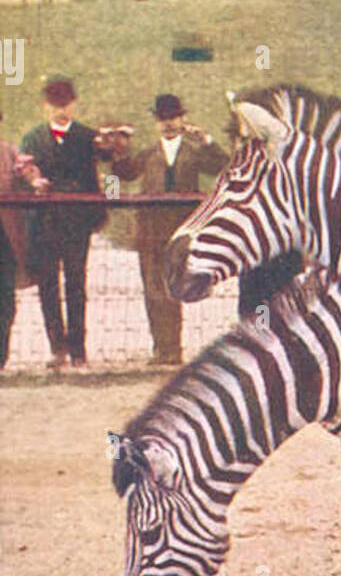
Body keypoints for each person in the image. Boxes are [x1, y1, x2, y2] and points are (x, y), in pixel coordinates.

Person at [108, 94, 227, 365]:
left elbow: (223, 167)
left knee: (175, 288)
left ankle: (173, 347)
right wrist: (116, 152)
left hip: (183, 233)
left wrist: (208, 142)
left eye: (173, 118)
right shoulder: (147, 154)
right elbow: (121, 175)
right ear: (156, 123)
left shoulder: (194, 153)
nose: (169, 124)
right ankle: (163, 348)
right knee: (153, 290)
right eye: (163, 119)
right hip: (150, 232)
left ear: (183, 119)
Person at [20, 76, 107, 369]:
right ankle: (57, 347)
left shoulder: (88, 137)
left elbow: (112, 170)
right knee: (47, 285)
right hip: (44, 221)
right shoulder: (32, 138)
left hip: (77, 221)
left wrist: (109, 199)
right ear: (46, 106)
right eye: (56, 104)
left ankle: (78, 350)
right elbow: (23, 171)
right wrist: (34, 182)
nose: (61, 110)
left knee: (76, 283)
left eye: (66, 104)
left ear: (74, 103)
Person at [0, 107, 48, 369]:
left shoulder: (9, 153)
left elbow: (29, 174)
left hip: (4, 237)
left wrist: (35, 181)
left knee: (5, 298)